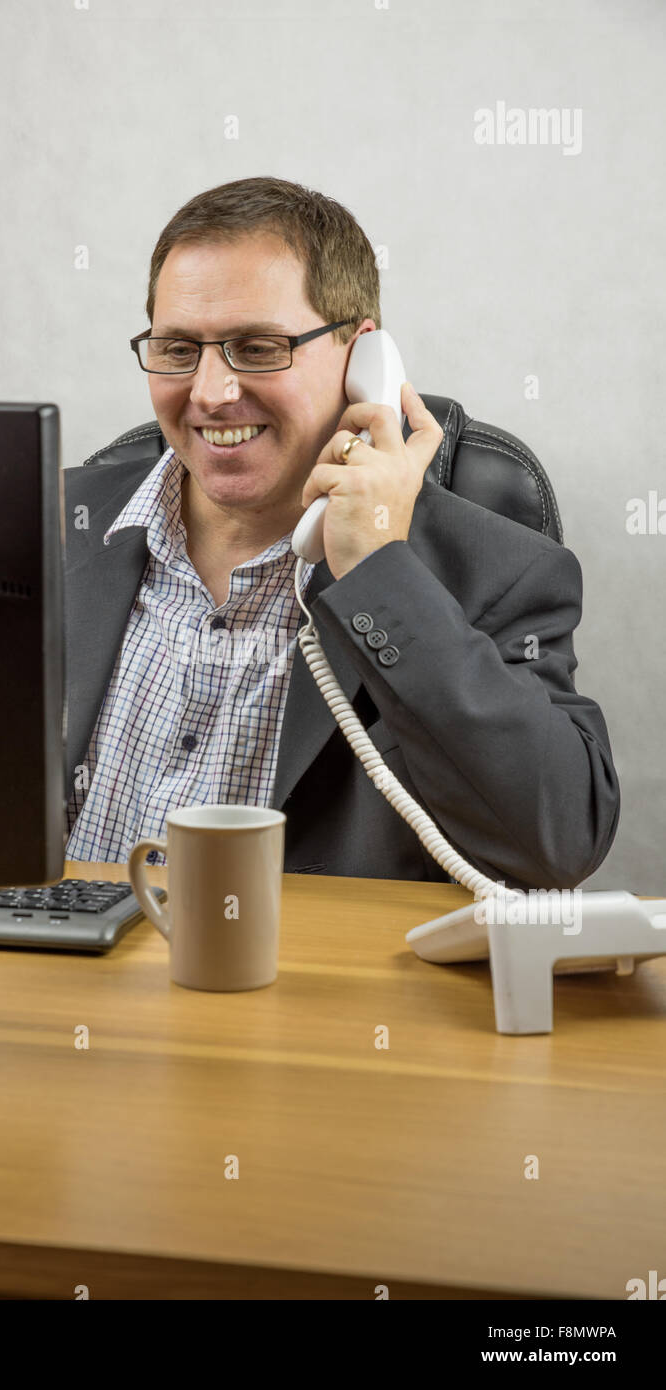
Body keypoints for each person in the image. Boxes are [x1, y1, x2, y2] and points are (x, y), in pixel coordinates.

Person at [63, 176, 619, 887]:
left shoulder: (497, 572)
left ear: (363, 360)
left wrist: (378, 572)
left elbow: (556, 844)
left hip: (303, 992)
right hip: (52, 980)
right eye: (177, 349)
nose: (207, 392)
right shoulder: (52, 523)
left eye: (257, 347)